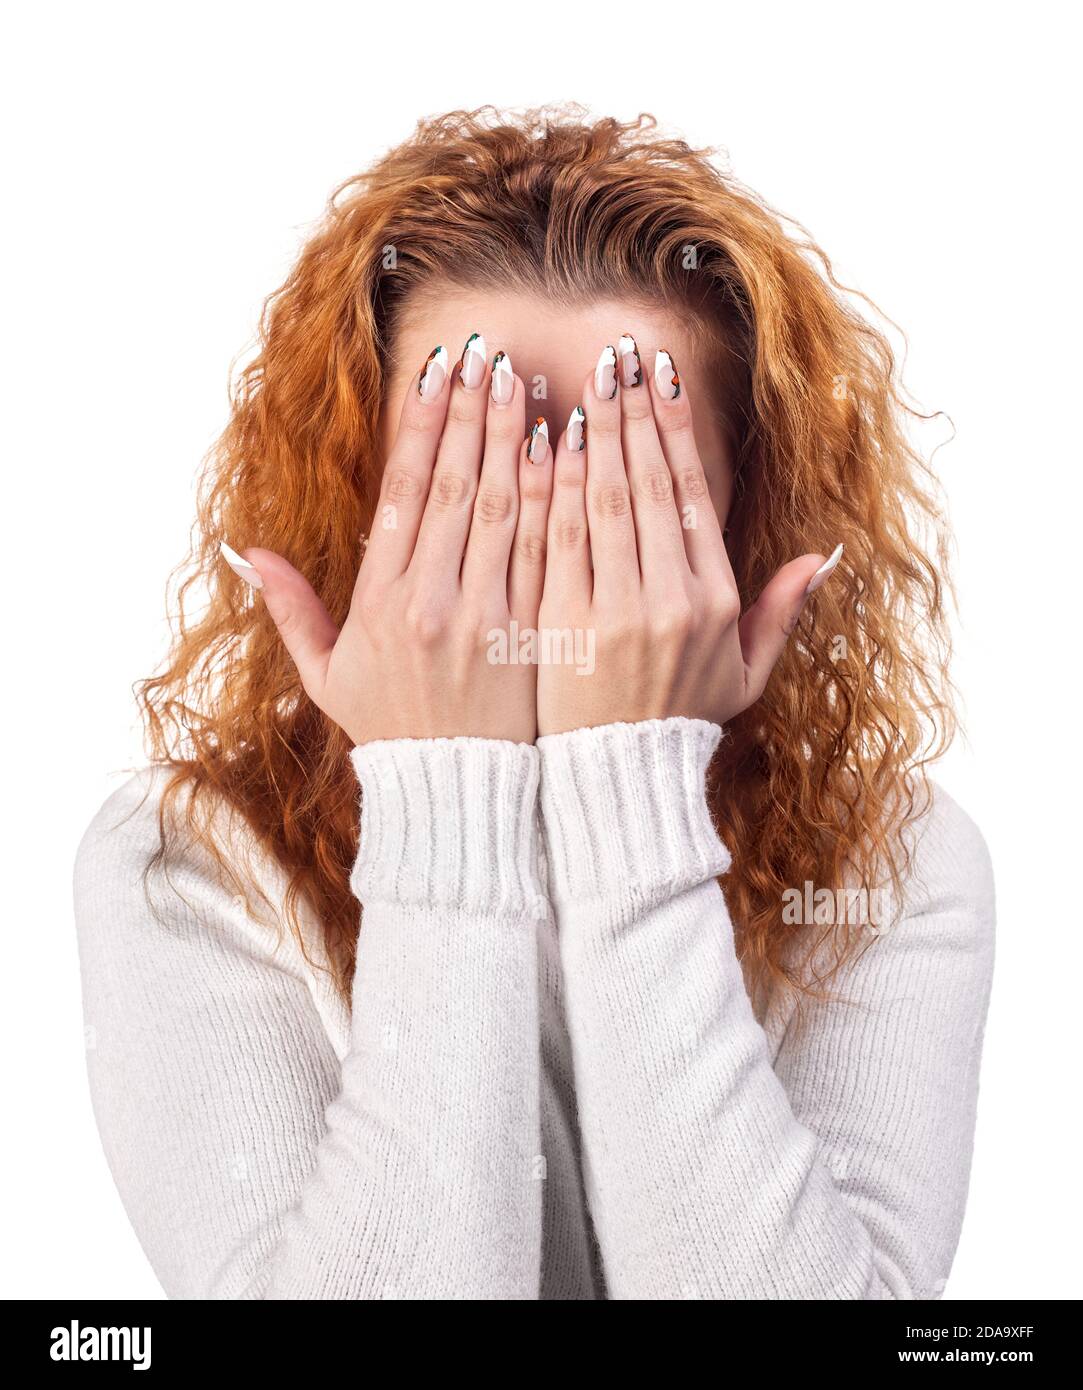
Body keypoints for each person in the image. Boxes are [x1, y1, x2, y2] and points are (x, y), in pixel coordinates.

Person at [74, 107, 994, 1300]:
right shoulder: (184, 866)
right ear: (363, 499)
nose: (542, 534)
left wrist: (631, 775)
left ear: (740, 525)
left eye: (626, 471)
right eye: (469, 466)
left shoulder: (893, 863)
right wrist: (444, 780)